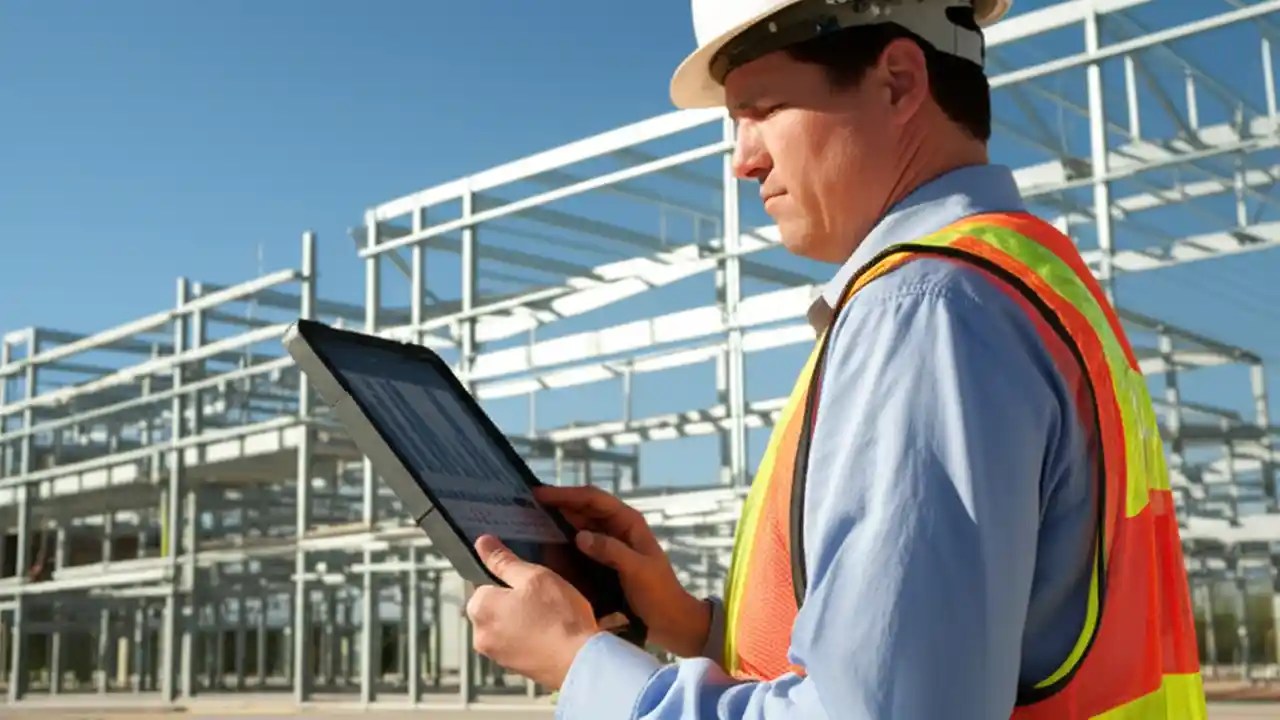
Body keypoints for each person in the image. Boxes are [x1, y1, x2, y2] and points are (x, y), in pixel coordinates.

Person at [463, 1, 1209, 718]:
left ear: (898, 82)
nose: (742, 161)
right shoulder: (1031, 279)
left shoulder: (926, 309)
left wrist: (585, 668)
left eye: (761, 110)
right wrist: (690, 624)